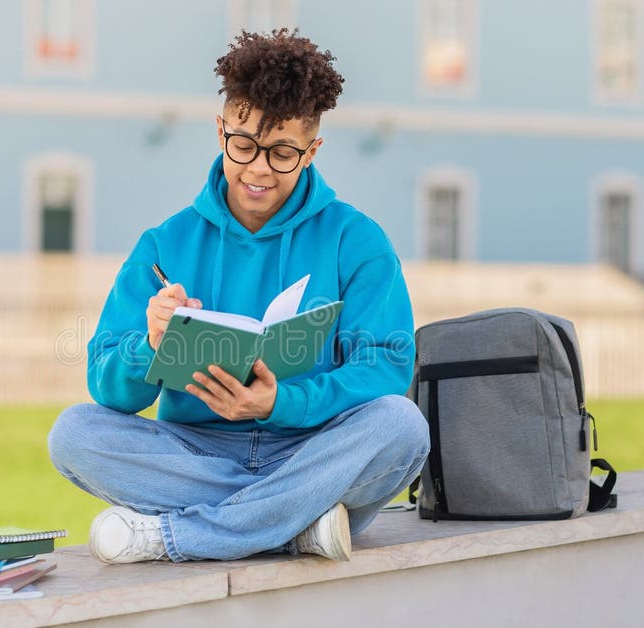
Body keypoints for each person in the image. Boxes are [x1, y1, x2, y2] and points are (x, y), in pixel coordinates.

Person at [48, 29, 430, 564]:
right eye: (244, 144)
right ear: (220, 129)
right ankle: (294, 525)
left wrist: (283, 402)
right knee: (74, 434)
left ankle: (180, 536)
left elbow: (387, 366)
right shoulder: (165, 244)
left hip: (314, 447)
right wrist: (150, 345)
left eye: (281, 154)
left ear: (312, 150)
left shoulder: (357, 240)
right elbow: (109, 388)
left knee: (402, 426)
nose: (256, 170)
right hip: (199, 454)